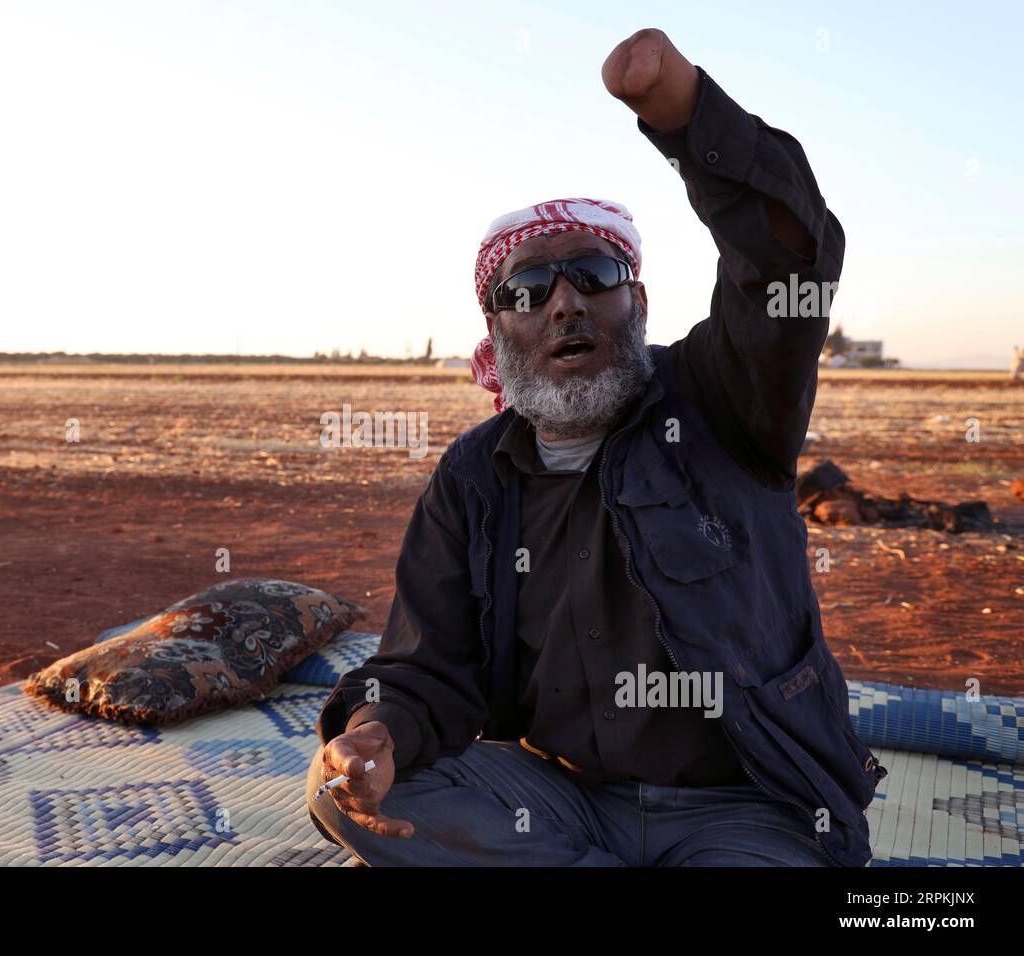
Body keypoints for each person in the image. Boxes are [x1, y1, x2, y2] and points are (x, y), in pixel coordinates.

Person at [306, 27, 886, 866]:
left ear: (636, 298)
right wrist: (373, 733)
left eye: (594, 275)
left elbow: (784, 261)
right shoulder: (475, 475)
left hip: (748, 805)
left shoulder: (725, 400)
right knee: (347, 798)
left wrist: (686, 117)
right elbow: (425, 667)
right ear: (498, 327)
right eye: (528, 290)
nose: (564, 304)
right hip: (556, 799)